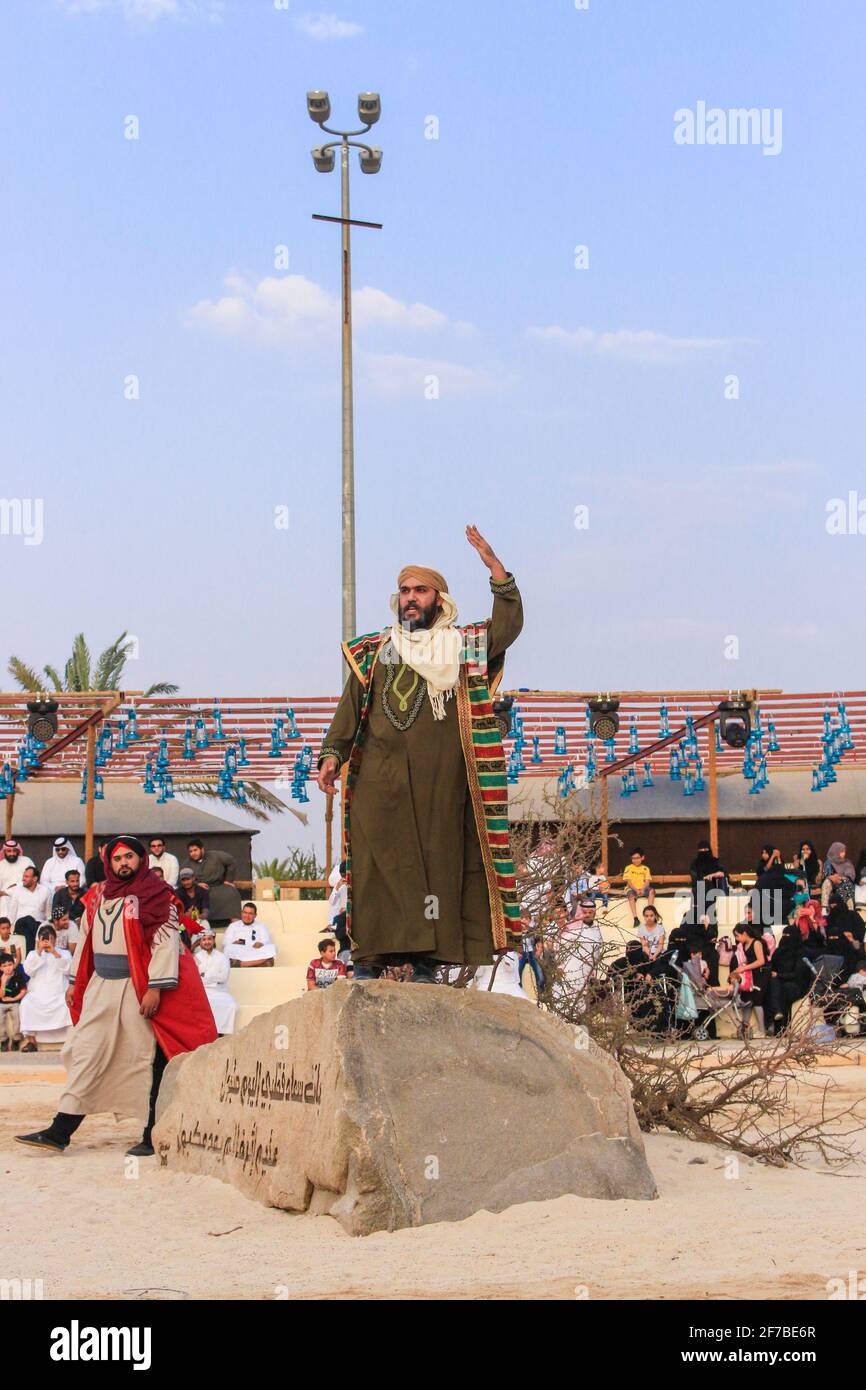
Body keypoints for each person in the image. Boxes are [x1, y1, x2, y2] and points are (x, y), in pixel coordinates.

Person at [316, 526, 524, 982]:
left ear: (440, 600)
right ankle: (370, 959)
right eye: (405, 590)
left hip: (441, 782)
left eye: (421, 590)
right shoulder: (375, 651)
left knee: (438, 865)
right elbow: (350, 707)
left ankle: (430, 963)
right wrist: (333, 752)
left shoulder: (463, 646)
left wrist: (495, 569)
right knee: (374, 866)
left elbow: (507, 628)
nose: (411, 598)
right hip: (378, 778)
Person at [15, 835, 216, 1156]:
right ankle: (59, 1131)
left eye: (129, 857)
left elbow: (166, 944)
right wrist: (73, 982)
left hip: (138, 988)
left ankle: (152, 1133)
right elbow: (86, 938)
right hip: (101, 986)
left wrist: (154, 988)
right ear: (109, 862)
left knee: (146, 1060)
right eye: (118, 858)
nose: (123, 863)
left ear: (141, 860)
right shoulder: (98, 895)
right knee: (86, 1052)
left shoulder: (157, 896)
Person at [19, 925, 72, 1051]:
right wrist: (39, 951)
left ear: (55, 939)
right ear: (40, 940)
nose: (48, 942)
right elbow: (28, 971)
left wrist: (54, 952)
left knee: (66, 1005)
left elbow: (69, 970)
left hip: (58, 993)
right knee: (26, 1004)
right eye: (45, 939)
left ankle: (69, 1041)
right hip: (38, 994)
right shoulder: (33, 954)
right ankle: (31, 1042)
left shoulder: (64, 953)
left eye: (50, 938)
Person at [180, 840, 241, 929]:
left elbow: (231, 861)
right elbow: (182, 878)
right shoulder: (186, 863)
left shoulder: (216, 855)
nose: (193, 853)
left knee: (231, 892)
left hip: (219, 886)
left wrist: (228, 880)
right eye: (190, 851)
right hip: (199, 889)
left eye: (195, 850)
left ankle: (237, 927)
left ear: (202, 849)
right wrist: (196, 884)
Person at [766, 922, 812, 1035]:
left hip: (797, 984)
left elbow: (798, 974)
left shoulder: (802, 953)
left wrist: (779, 975)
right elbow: (773, 969)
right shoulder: (778, 952)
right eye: (784, 935)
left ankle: (780, 1025)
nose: (786, 938)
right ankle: (779, 1023)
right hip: (779, 983)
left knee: (781, 990)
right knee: (773, 985)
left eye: (788, 936)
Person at [194, 926, 237, 1035]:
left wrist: (205, 975)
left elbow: (223, 977)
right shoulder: (195, 958)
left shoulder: (222, 957)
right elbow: (196, 978)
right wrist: (213, 977)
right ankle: (208, 1032)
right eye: (204, 940)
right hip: (202, 992)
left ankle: (220, 1032)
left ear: (213, 940)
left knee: (231, 1004)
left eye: (209, 939)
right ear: (200, 942)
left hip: (220, 991)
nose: (207, 942)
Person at [728, 923, 768, 1038]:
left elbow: (761, 961)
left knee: (757, 1001)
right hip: (749, 975)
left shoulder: (756, 943)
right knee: (747, 1001)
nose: (737, 939)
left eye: (737, 936)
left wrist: (745, 967)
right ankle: (743, 1030)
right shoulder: (744, 945)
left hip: (759, 975)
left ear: (745, 934)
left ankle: (761, 1030)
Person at [5, 867, 52, 953]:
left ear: (35, 878)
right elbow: (12, 912)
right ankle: (40, 937)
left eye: (26, 877)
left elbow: (48, 914)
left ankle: (29, 957)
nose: (23, 879)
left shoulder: (45, 891)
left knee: (28, 931)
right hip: (20, 924)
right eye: (23, 876)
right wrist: (8, 928)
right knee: (28, 918)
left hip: (38, 924)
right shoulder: (18, 890)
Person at [223, 903, 276, 967]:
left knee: (272, 948)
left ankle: (241, 964)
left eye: (250, 913)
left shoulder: (261, 926)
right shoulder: (233, 926)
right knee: (228, 948)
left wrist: (261, 943)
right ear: (241, 913)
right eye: (245, 912)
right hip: (239, 951)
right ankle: (256, 964)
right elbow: (225, 942)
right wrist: (233, 943)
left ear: (255, 915)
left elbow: (266, 939)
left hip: (255, 951)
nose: (247, 916)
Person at [689, 839, 728, 922]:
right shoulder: (695, 863)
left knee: (710, 917)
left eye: (706, 850)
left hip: (712, 891)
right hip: (699, 892)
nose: (703, 852)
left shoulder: (714, 861)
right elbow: (695, 877)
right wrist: (706, 878)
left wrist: (712, 875)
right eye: (701, 850)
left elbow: (723, 873)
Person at [0, 953, 26, 1051]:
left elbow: (23, 991)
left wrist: (13, 999)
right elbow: (1, 995)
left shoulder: (18, 975)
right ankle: (3, 1040)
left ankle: (16, 1039)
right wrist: (3, 982)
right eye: (4, 966)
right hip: (1, 1003)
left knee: (17, 1016)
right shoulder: (1, 976)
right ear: (1, 968)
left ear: (14, 964)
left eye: (10, 965)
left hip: (14, 1001)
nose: (8, 968)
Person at [622, 849, 655, 928]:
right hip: (632, 888)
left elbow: (647, 881)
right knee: (630, 895)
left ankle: (649, 914)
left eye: (637, 858)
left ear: (642, 858)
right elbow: (629, 881)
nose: (635, 860)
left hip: (643, 888)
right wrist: (636, 890)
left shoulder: (646, 868)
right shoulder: (628, 868)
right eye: (633, 858)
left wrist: (643, 889)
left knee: (652, 891)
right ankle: (635, 918)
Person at [821, 842, 857, 911]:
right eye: (841, 852)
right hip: (832, 883)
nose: (844, 854)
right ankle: (824, 908)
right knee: (826, 882)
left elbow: (850, 875)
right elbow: (825, 875)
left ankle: (850, 910)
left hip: (844, 883)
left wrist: (839, 878)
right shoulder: (828, 862)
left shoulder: (847, 862)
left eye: (844, 852)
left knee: (845, 883)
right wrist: (831, 878)